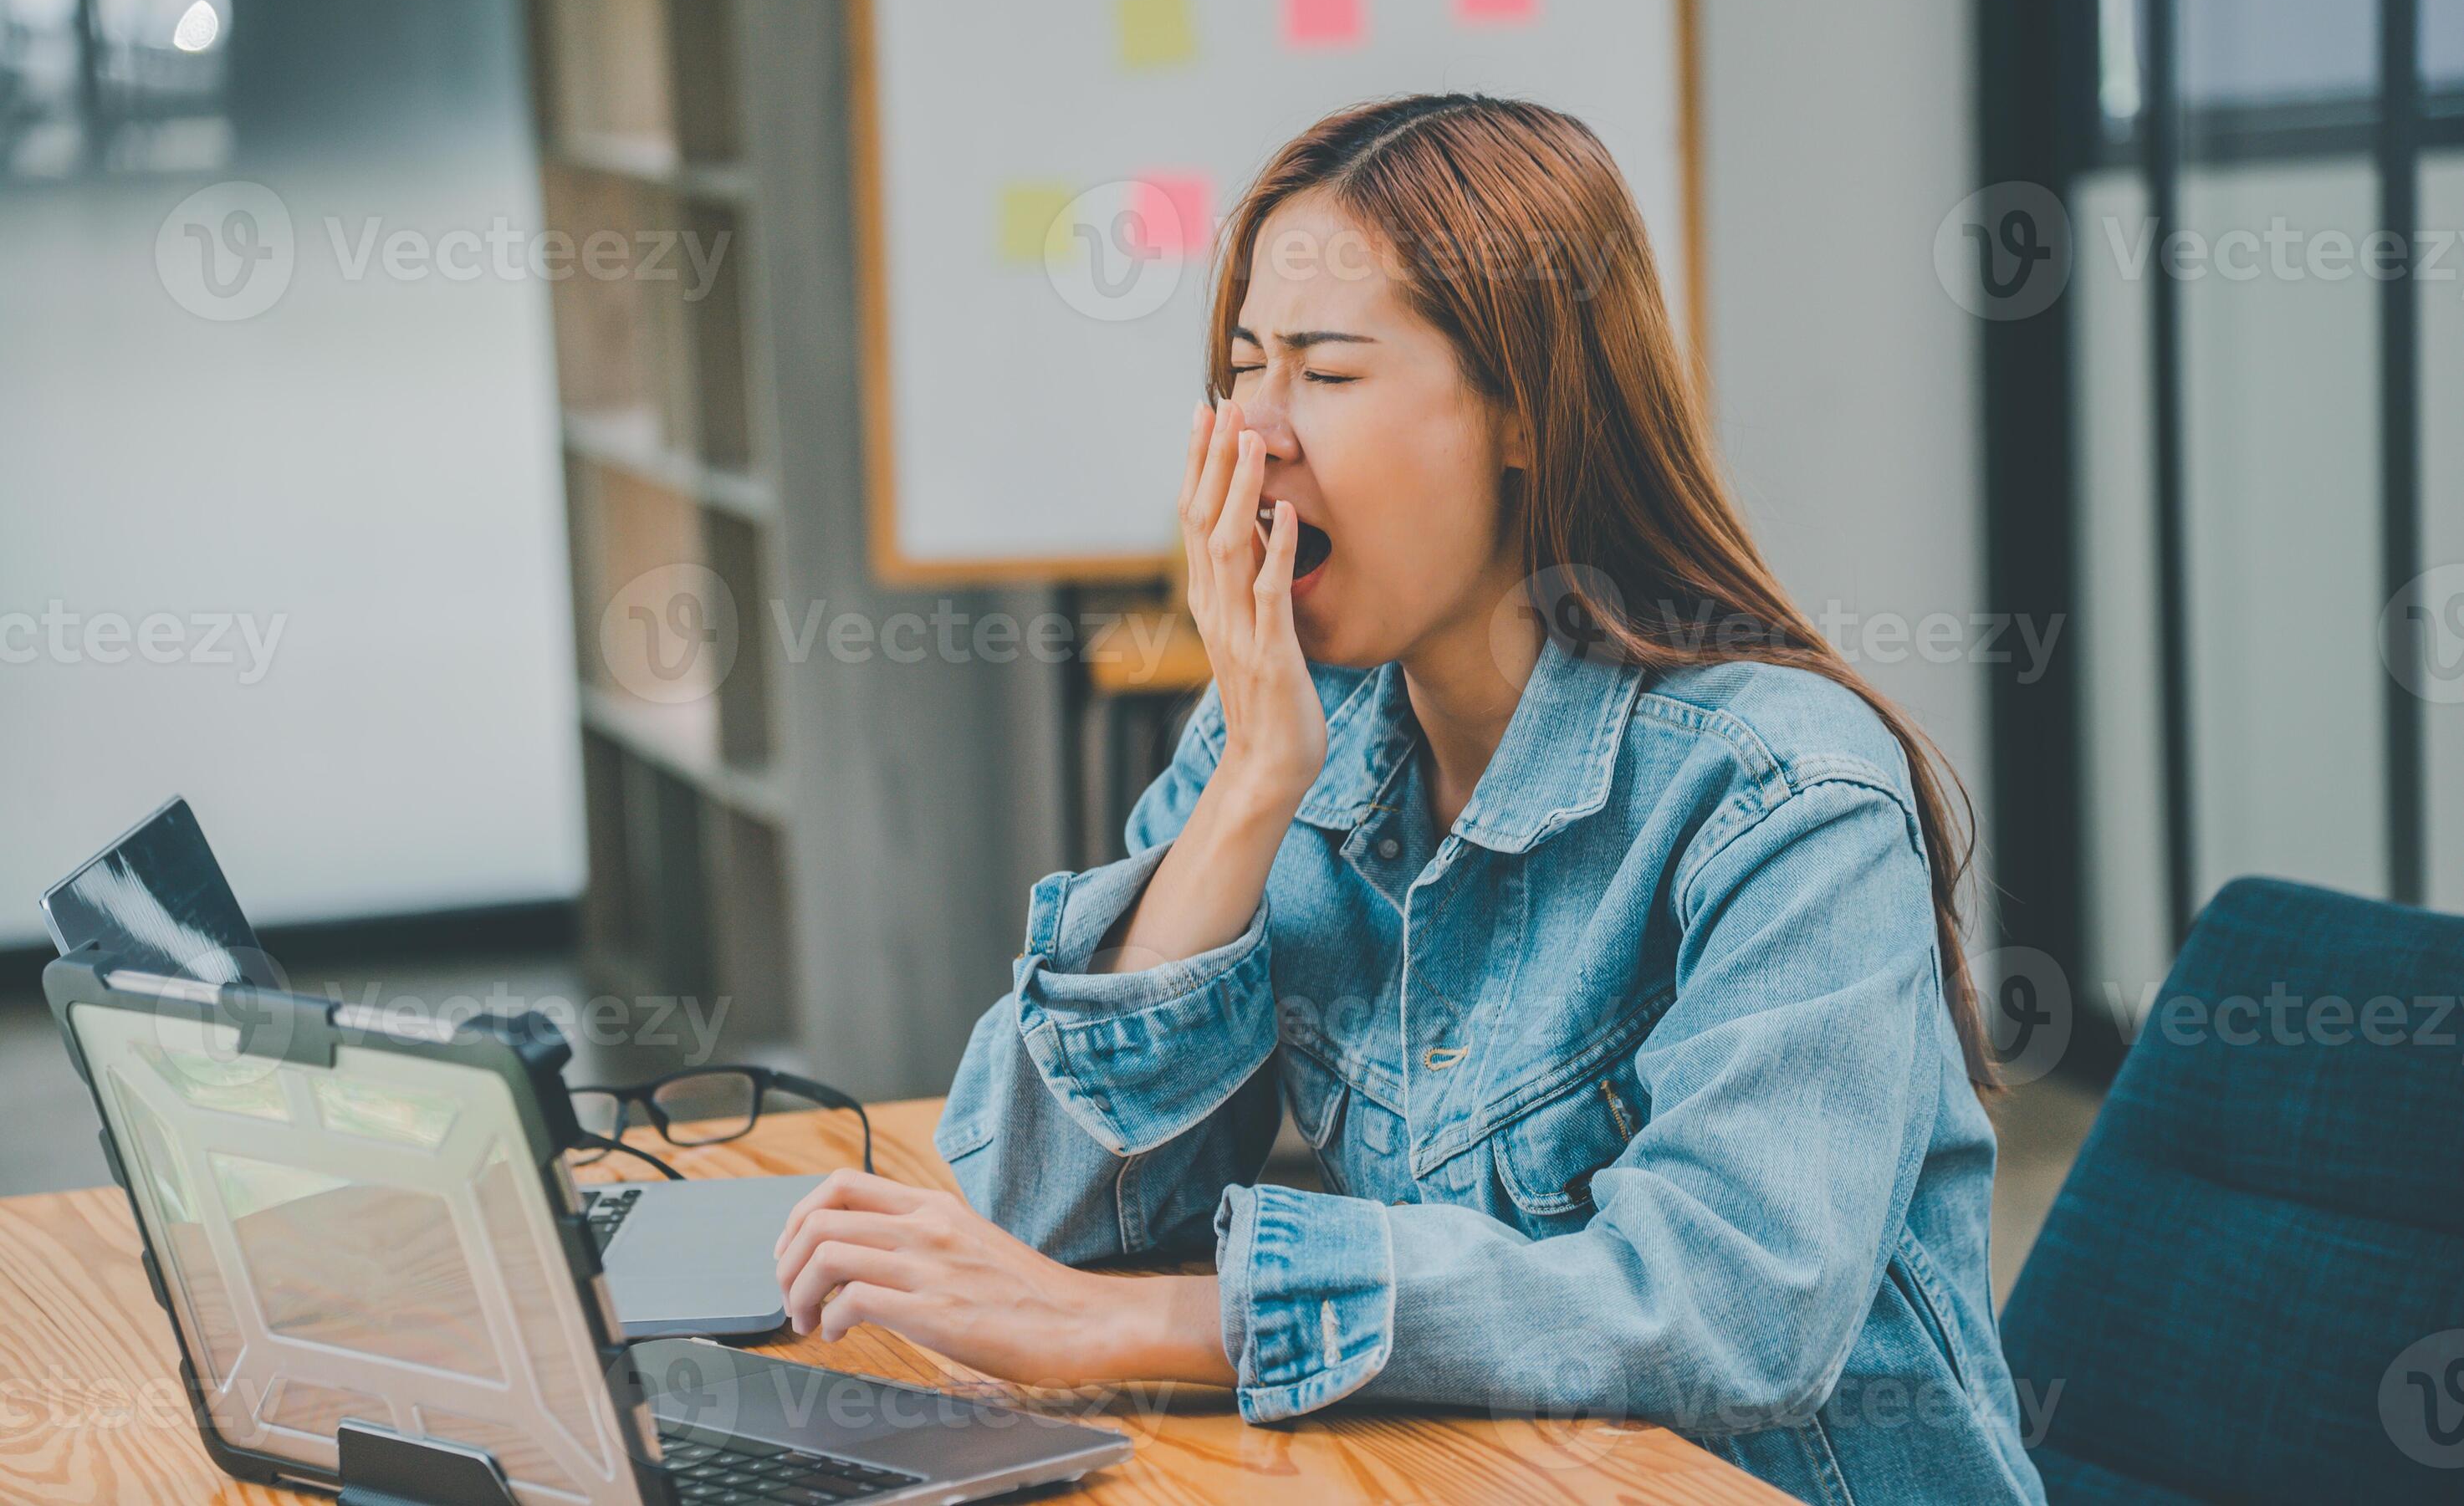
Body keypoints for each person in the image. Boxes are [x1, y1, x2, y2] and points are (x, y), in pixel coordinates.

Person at [772, 94, 2047, 1504]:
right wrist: (1252, 789)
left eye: (1322, 372)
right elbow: (1046, 1214)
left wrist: (1135, 1327)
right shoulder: (1281, 732)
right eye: (1241, 368)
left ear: (1520, 409)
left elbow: (1722, 1312)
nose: (1252, 439)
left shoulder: (1786, 798)